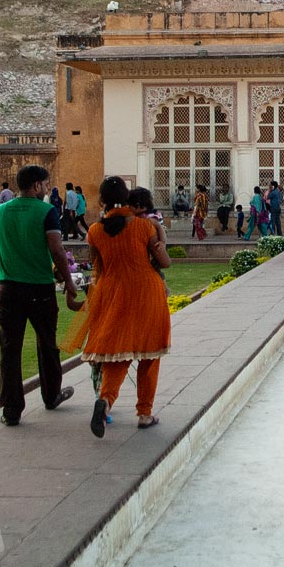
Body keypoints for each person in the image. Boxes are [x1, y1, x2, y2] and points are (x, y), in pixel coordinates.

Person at [73, 176, 172, 435]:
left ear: (101, 200)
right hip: (146, 292)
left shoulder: (94, 231)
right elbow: (164, 262)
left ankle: (105, 401)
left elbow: (98, 269)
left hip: (113, 294)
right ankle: (144, 413)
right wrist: (161, 240)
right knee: (149, 354)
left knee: (119, 354)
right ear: (127, 198)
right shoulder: (144, 227)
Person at [0, 164, 77, 426]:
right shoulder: (46, 211)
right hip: (39, 288)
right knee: (47, 343)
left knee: (9, 349)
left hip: (9, 288)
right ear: (37, 185)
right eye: (45, 184)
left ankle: (11, 410)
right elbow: (57, 250)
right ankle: (51, 395)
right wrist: (68, 281)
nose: (46, 189)